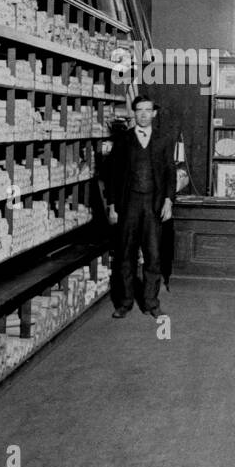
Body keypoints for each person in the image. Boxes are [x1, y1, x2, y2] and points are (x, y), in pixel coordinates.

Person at [100, 95, 174, 320]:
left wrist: (169, 201)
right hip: (128, 204)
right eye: (139, 110)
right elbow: (112, 175)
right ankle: (125, 302)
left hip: (154, 204)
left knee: (153, 255)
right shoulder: (123, 140)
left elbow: (170, 172)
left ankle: (151, 303)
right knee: (125, 255)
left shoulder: (163, 139)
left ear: (154, 113)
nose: (143, 114)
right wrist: (112, 205)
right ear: (134, 113)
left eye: (147, 110)